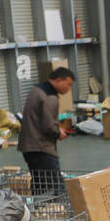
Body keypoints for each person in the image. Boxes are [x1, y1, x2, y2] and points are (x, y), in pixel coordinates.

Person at [18, 66, 74, 195]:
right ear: (59, 80)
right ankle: (58, 212)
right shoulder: (50, 97)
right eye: (68, 84)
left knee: (39, 183)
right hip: (41, 147)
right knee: (55, 185)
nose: (69, 89)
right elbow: (48, 125)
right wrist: (58, 132)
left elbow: (38, 118)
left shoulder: (36, 89)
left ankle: (39, 210)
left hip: (28, 146)